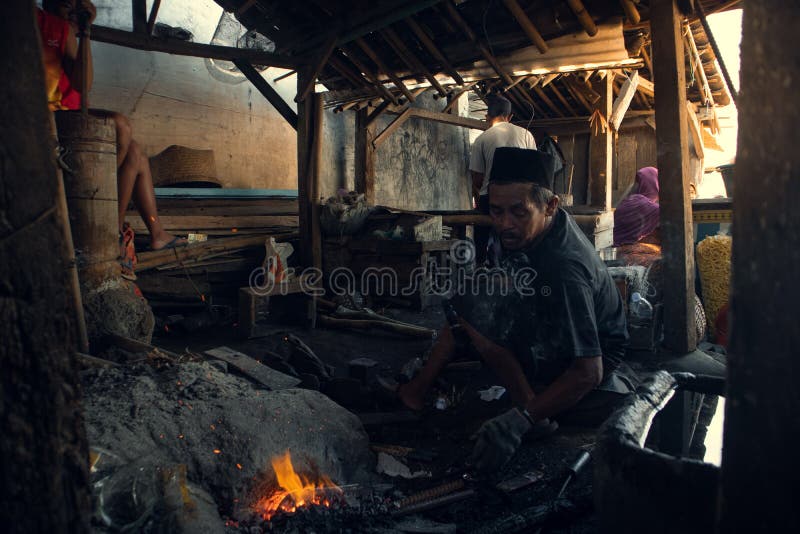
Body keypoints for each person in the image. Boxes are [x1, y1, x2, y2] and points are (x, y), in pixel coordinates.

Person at [396, 148, 634, 473]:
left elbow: (589, 371)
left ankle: (530, 409)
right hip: (550, 316)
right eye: (496, 212)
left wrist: (519, 421)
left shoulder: (564, 269)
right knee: (470, 298)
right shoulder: (541, 228)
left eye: (518, 213)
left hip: (595, 355)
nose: (504, 224)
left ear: (549, 205)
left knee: (476, 315)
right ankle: (417, 390)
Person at [38, 0, 185, 276]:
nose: (70, 6)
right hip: (43, 119)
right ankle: (114, 231)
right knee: (120, 128)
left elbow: (83, 84)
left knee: (135, 153)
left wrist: (84, 33)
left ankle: (148, 233)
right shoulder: (32, 21)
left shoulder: (68, 30)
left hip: (69, 115)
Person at [469, 93, 536, 263]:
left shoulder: (481, 139)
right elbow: (533, 170)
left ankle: (479, 265)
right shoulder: (526, 135)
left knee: (481, 232)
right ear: (510, 117)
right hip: (520, 199)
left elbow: (477, 180)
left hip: (490, 200)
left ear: (487, 117)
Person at [613, 167, 660, 247]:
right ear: (655, 184)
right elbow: (670, 214)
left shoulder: (630, 200)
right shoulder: (644, 205)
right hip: (620, 249)